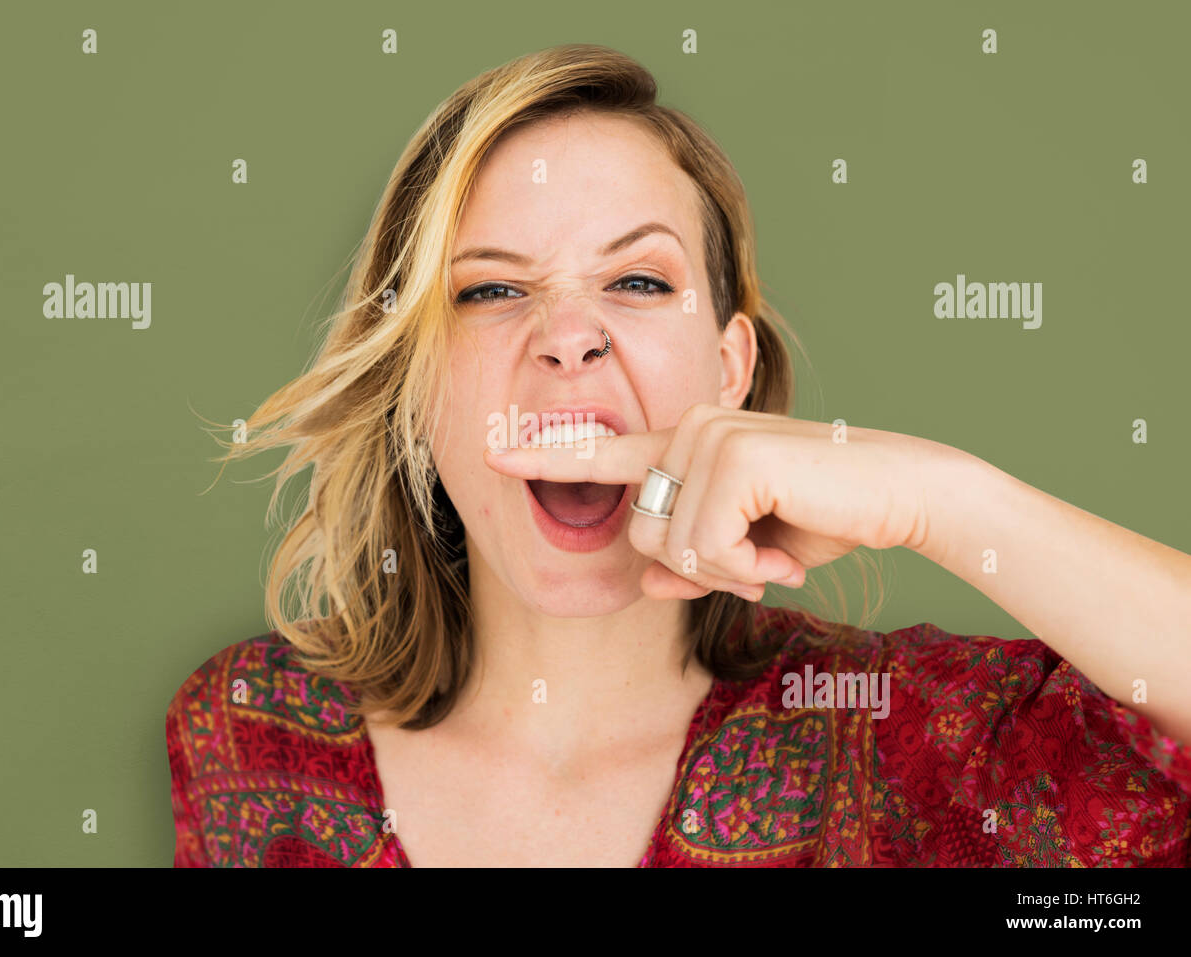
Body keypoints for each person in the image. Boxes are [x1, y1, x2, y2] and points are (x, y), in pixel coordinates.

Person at [166, 43, 1191, 867]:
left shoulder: (903, 740)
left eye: (640, 282)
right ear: (411, 387)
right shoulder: (251, 734)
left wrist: (941, 499)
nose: (568, 335)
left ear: (728, 369)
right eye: (488, 289)